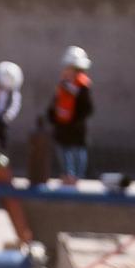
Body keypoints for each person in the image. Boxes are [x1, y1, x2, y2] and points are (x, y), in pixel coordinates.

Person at [48, 46, 95, 183]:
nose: (68, 71)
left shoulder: (83, 87)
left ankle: (77, 177)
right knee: (63, 151)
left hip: (76, 129)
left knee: (77, 152)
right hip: (62, 127)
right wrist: (53, 116)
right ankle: (68, 176)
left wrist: (76, 121)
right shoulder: (63, 85)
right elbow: (55, 103)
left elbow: (87, 108)